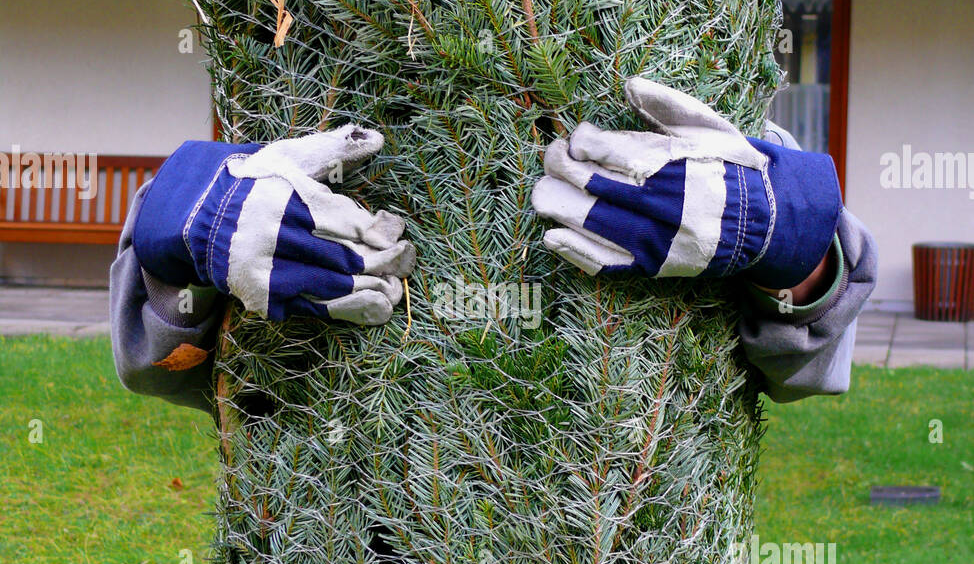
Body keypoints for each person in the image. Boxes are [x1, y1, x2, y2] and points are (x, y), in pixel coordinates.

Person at [109, 77, 877, 411]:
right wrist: (186, 231)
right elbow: (157, 366)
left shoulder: (729, 139)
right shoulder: (268, 145)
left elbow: (803, 371)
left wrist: (793, 242)